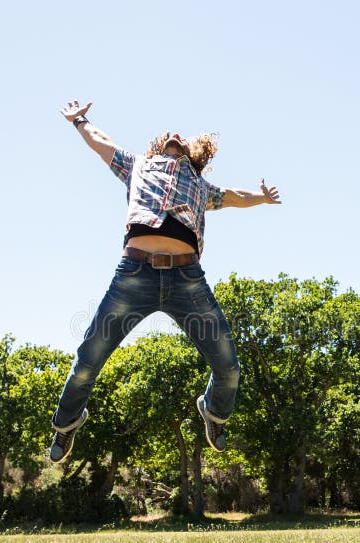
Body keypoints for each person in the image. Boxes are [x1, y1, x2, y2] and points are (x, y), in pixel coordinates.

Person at [49, 98, 281, 463]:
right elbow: (101, 143)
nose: (175, 134)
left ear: (192, 152)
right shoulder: (137, 165)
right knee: (88, 360)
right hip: (135, 275)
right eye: (169, 133)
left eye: (182, 136)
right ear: (158, 146)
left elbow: (235, 197)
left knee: (229, 367)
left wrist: (263, 199)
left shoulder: (201, 186)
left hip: (186, 279)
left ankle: (215, 413)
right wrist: (80, 121)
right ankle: (65, 424)